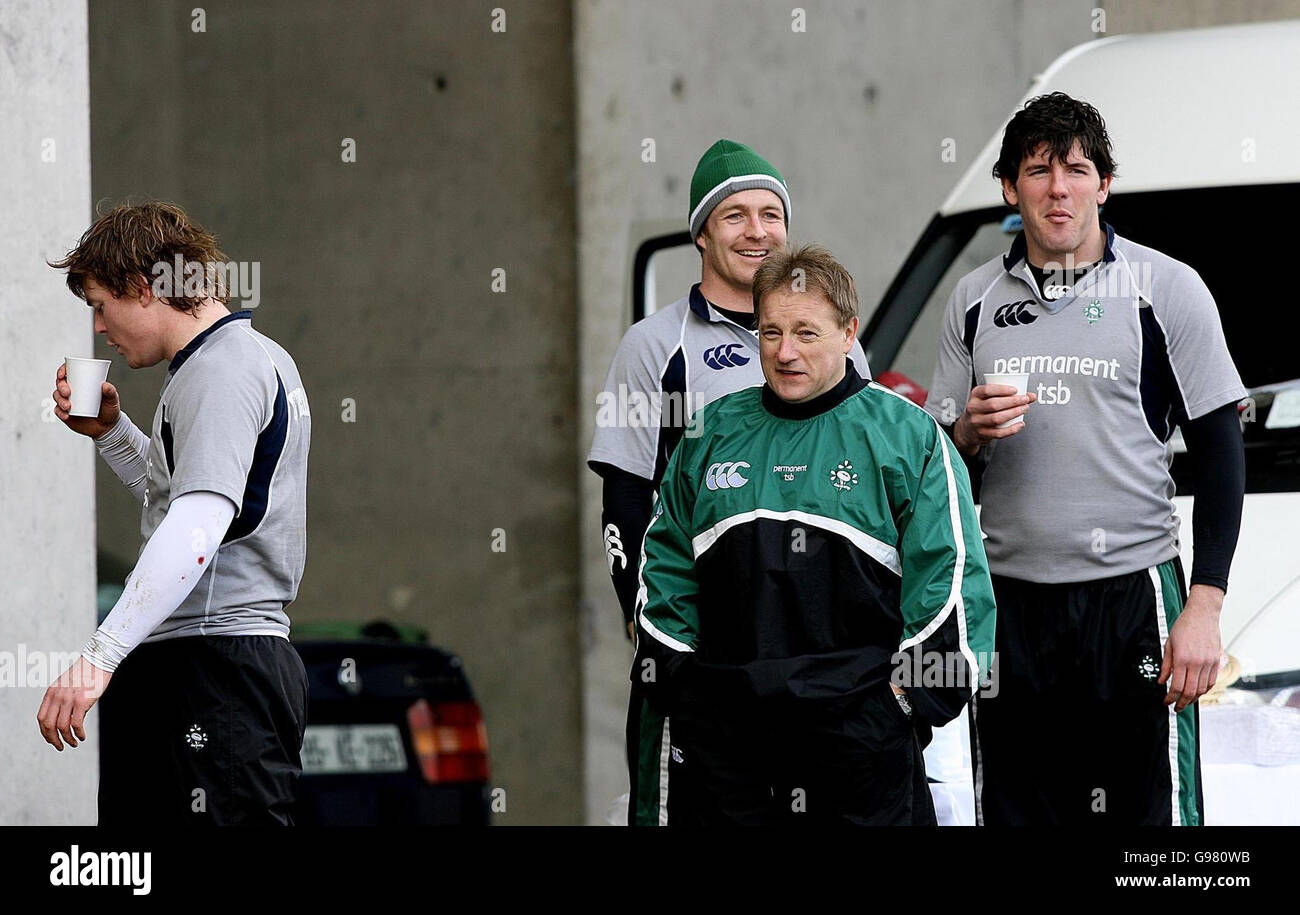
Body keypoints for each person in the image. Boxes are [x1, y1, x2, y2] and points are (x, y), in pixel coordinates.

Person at [923, 93, 1246, 826]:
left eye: (1076, 169)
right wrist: (967, 433)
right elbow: (939, 476)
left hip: (1131, 597)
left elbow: (1223, 454)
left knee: (1148, 824)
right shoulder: (971, 301)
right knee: (1015, 811)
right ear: (1010, 188)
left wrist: (1205, 603)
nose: (1058, 188)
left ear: (1104, 183)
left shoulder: (1166, 288)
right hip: (1009, 605)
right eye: (1038, 170)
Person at [629, 244, 995, 825]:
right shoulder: (711, 432)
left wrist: (901, 705)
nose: (785, 352)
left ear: (848, 332)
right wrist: (687, 687)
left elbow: (952, 588)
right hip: (731, 747)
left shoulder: (909, 436)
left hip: (861, 745)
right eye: (771, 333)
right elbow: (664, 564)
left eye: (805, 332)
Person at [39, 202, 312, 825]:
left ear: (142, 287)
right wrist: (112, 433)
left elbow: (196, 525)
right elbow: (182, 504)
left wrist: (98, 656)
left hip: (215, 670)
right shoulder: (227, 363)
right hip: (209, 667)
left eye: (100, 306)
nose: (101, 329)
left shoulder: (223, 369)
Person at [589, 139, 871, 642]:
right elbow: (626, 494)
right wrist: (641, 611)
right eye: (735, 215)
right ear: (701, 234)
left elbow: (869, 470)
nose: (758, 231)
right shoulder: (653, 344)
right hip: (710, 625)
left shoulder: (835, 339)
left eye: (771, 214)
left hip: (825, 623)